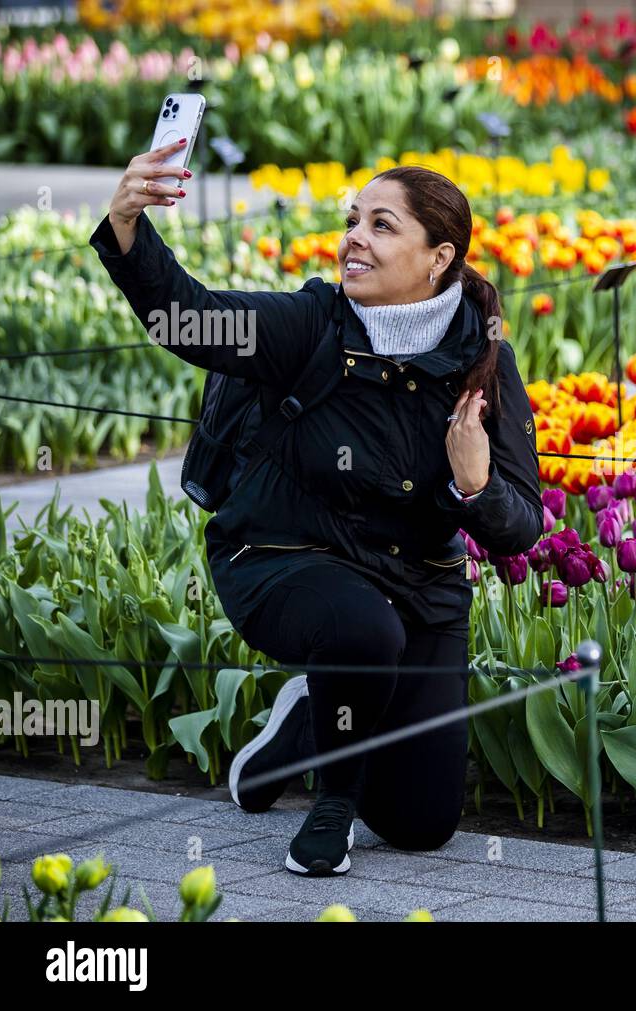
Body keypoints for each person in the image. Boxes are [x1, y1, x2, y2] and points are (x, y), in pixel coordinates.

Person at [90, 138, 544, 876]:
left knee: (422, 824)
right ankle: (331, 805)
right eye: (352, 219)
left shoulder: (482, 355)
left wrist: (475, 486)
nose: (354, 238)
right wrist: (128, 227)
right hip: (283, 553)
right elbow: (189, 319)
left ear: (439, 258)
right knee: (359, 627)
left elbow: (523, 523)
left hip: (420, 585)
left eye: (382, 225)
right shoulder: (313, 322)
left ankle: (309, 718)